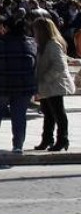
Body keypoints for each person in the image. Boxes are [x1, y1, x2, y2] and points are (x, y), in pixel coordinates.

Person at [0, 12, 37, 154]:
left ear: (6, 27)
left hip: (0, 84)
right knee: (19, 116)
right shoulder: (30, 43)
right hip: (23, 85)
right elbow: (34, 63)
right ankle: (18, 145)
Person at [31, 17, 72, 151]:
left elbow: (59, 66)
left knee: (58, 113)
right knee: (48, 113)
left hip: (54, 84)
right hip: (46, 85)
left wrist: (45, 79)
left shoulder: (53, 44)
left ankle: (62, 139)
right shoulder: (43, 45)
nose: (34, 33)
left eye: (36, 30)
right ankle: (47, 139)